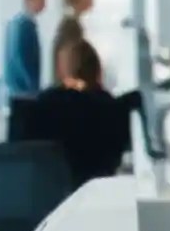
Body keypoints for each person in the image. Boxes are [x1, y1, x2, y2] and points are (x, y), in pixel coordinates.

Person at [36, 39, 129, 186]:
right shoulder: (110, 106)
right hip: (100, 188)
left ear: (63, 69)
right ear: (96, 68)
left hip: (54, 190)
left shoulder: (45, 103)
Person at [4, 0, 46, 98]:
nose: (44, 4)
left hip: (17, 89)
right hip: (24, 91)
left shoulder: (15, 23)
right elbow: (21, 58)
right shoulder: (25, 25)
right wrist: (31, 88)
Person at [52, 0, 94, 84]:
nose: (91, 1)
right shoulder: (71, 24)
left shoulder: (71, 22)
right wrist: (71, 82)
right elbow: (64, 54)